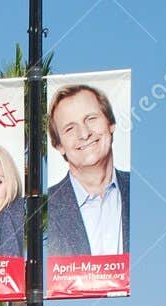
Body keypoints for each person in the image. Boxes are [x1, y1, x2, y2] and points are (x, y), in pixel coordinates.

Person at [47, 83, 130, 259]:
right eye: (70, 128)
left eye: (91, 119)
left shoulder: (138, 191)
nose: (84, 133)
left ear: (111, 124)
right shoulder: (45, 208)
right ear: (59, 145)